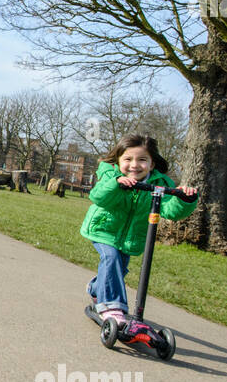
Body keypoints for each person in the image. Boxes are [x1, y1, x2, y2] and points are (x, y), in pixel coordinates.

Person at [81, 133, 199, 323]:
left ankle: (96, 289)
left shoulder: (160, 185)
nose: (134, 165)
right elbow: (98, 197)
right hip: (104, 230)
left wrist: (184, 200)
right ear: (119, 160)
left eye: (142, 160)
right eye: (128, 159)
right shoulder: (111, 174)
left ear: (152, 164)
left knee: (118, 270)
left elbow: (170, 211)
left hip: (131, 237)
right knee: (110, 259)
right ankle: (112, 308)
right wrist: (116, 184)